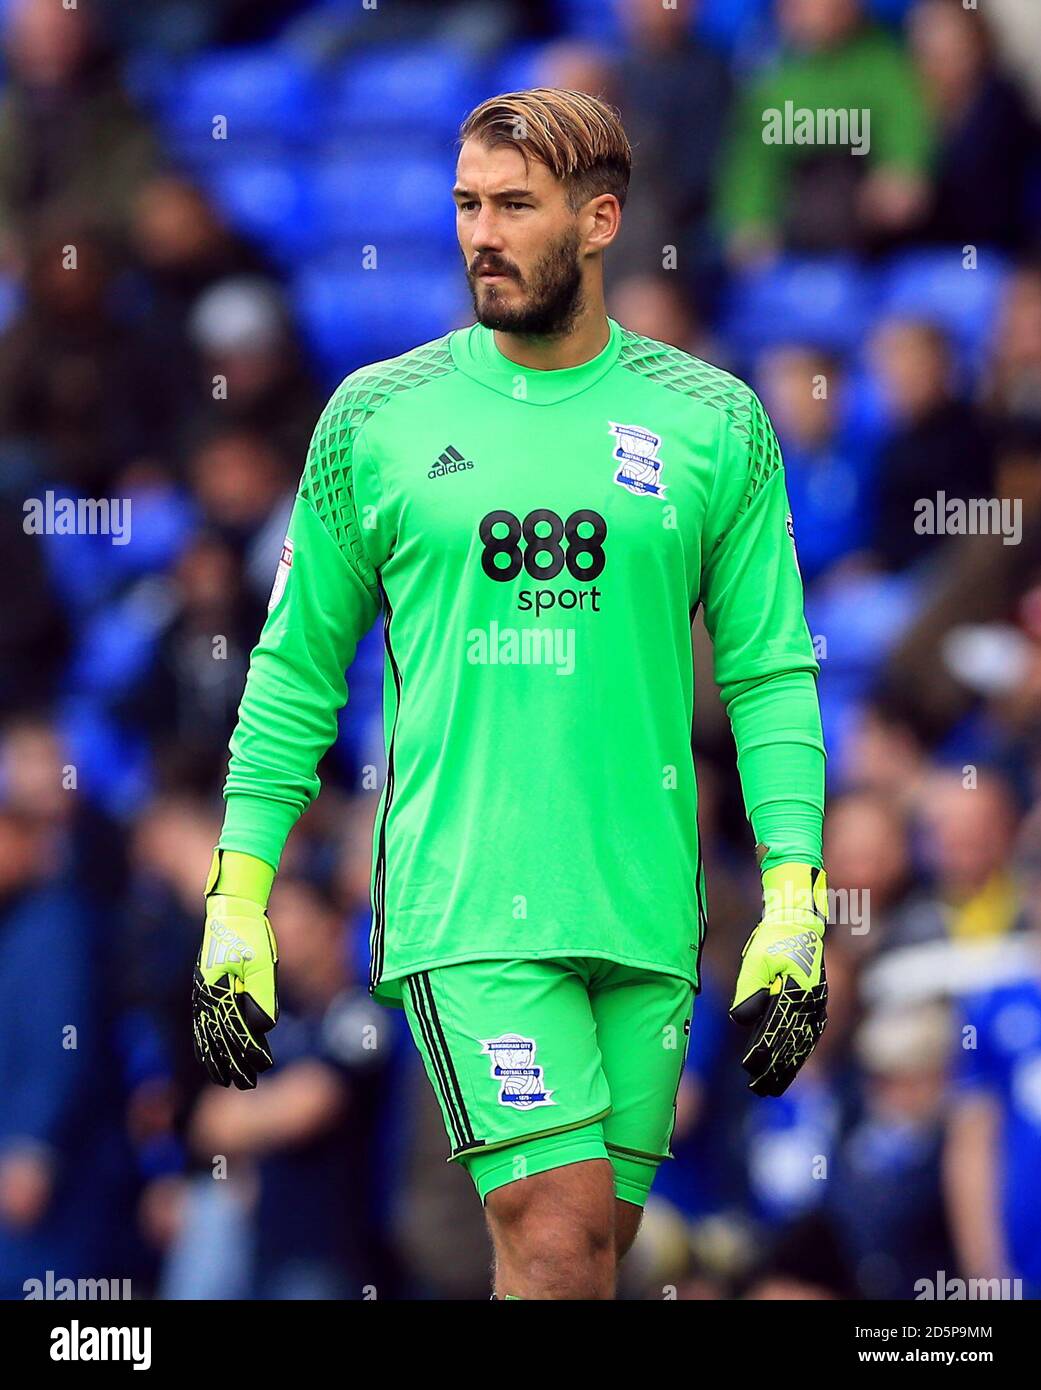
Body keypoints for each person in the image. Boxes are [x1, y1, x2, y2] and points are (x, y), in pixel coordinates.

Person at [191, 87, 828, 1301]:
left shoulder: (713, 424)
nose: (481, 234)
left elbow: (769, 671)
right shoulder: (374, 419)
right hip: (467, 896)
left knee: (583, 1259)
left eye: (514, 208)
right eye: (466, 206)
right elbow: (290, 675)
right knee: (549, 1227)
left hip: (643, 904)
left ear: (598, 221)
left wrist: (792, 899)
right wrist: (238, 897)